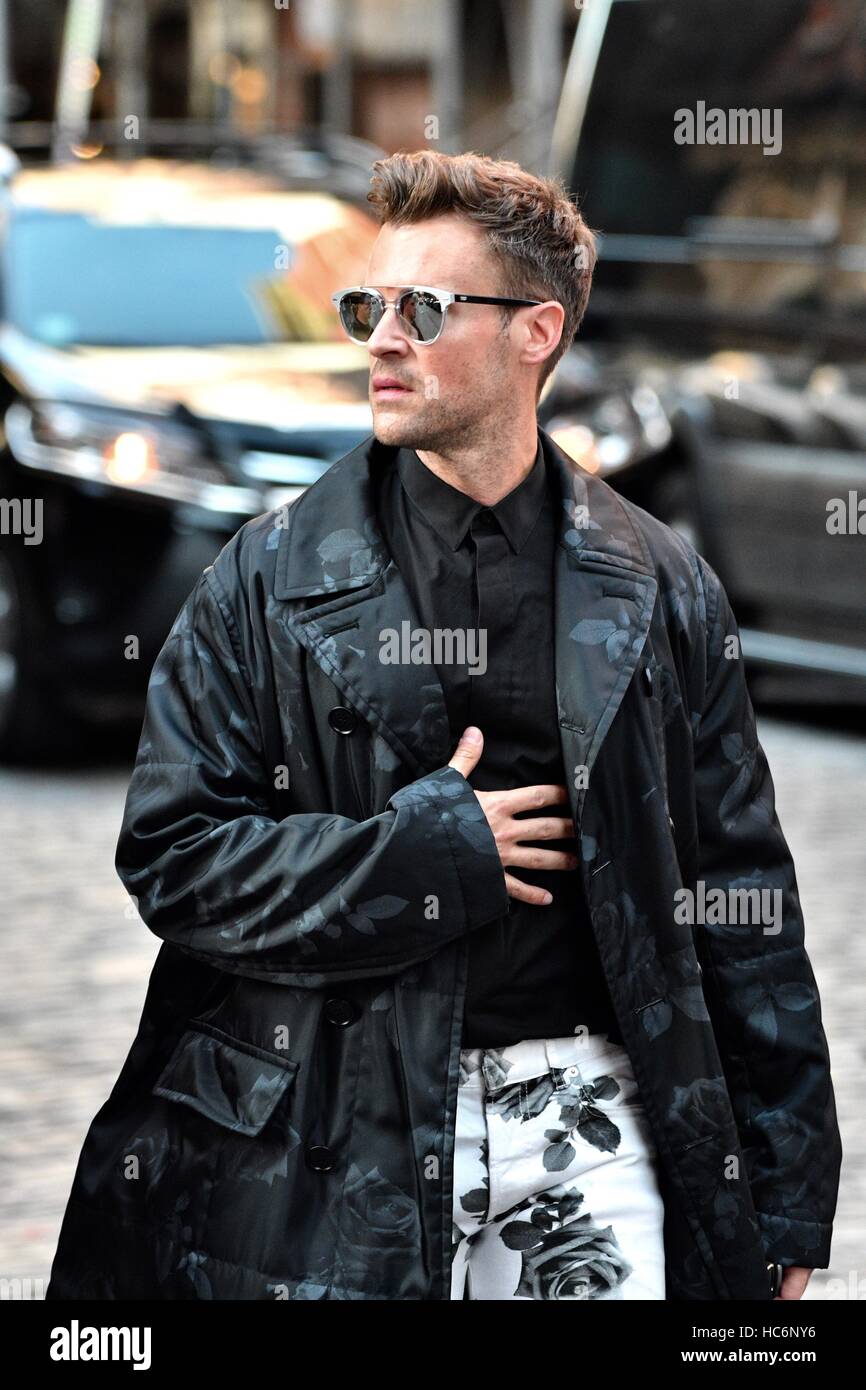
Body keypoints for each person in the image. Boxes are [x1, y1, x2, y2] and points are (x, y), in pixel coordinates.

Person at [46, 149, 841, 1302]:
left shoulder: (660, 584)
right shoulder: (264, 578)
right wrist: (413, 858)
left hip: (590, 1120)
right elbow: (173, 859)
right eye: (367, 306)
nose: (380, 338)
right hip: (329, 1124)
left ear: (536, 333)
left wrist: (783, 1193)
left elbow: (742, 897)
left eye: (423, 308)